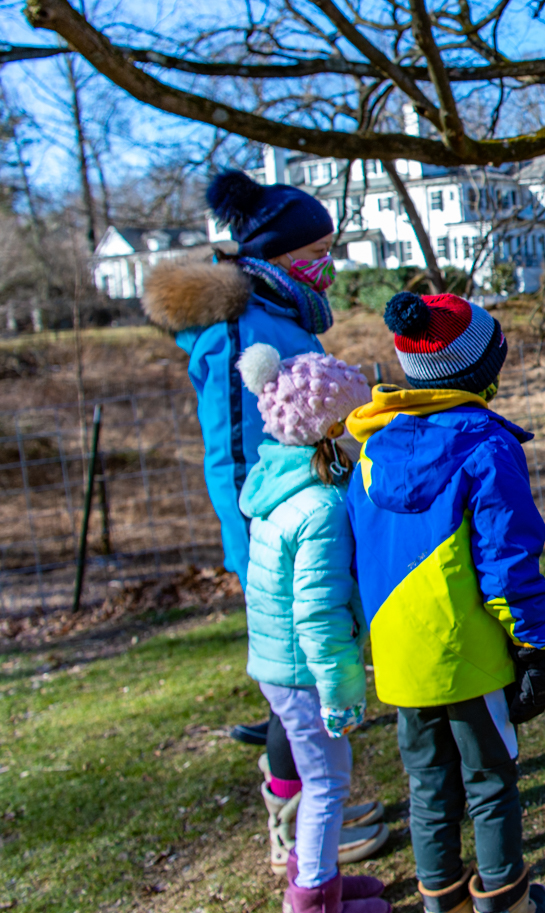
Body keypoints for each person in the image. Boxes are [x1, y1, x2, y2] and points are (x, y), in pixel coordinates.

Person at [141, 169, 383, 868]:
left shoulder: (284, 308)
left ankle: (310, 803)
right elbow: (236, 448)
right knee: (297, 678)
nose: (329, 265)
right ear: (278, 256)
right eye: (319, 251)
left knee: (306, 675)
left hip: (303, 508)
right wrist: (265, 533)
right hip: (275, 525)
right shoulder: (239, 324)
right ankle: (294, 822)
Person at [345, 292, 545, 913]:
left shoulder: (368, 452)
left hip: (400, 659)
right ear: (482, 373)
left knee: (428, 787)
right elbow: (507, 561)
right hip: (466, 655)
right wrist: (536, 645)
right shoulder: (486, 448)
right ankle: (509, 910)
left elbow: (361, 557)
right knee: (490, 781)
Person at [235, 343, 390, 913]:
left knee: (321, 773)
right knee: (327, 782)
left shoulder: (275, 489)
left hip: (275, 665)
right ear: (329, 431)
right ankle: (314, 910)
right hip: (304, 670)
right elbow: (318, 614)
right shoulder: (319, 507)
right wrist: (342, 689)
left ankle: (318, 876)